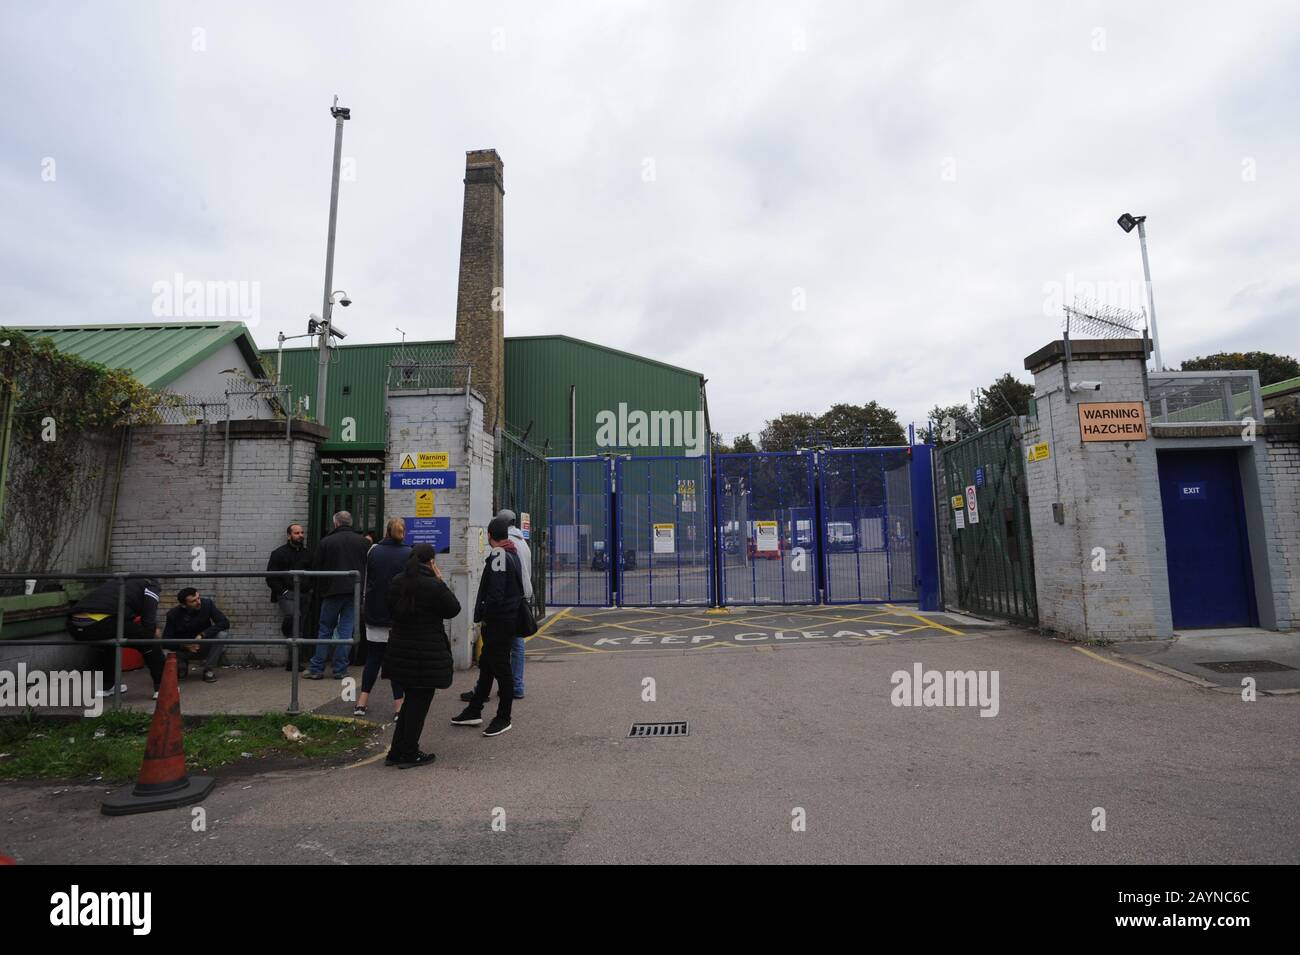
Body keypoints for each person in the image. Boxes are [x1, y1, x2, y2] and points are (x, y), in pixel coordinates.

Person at [383, 543, 461, 768]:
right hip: (425, 653)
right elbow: (453, 609)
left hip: (400, 651)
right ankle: (409, 752)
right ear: (432, 562)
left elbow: (390, 608)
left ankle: (396, 751)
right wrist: (440, 581)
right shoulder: (433, 586)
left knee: (410, 701)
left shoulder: (398, 581)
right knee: (419, 704)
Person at [451, 516, 522, 737]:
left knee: (501, 668)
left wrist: (486, 616)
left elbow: (496, 594)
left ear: (489, 535)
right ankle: (474, 709)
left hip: (499, 621)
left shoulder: (499, 554)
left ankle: (503, 718)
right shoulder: (512, 552)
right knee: (488, 665)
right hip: (505, 619)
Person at [460, 508, 533, 703]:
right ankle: (498, 690)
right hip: (519, 598)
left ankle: (499, 696)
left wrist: (486, 616)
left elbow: (497, 590)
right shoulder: (521, 543)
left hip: (505, 610)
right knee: (505, 651)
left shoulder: (502, 551)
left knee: (497, 657)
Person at [66, 575, 165, 699]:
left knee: (108, 645)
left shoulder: (116, 583)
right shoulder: (151, 587)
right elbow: (148, 618)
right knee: (150, 643)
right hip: (102, 622)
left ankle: (107, 686)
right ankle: (163, 688)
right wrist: (151, 633)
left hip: (74, 625)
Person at [356, 518, 411, 717]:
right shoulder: (409, 553)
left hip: (375, 611)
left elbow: (367, 581)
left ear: (386, 531)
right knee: (395, 661)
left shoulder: (373, 551)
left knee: (373, 658)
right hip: (398, 616)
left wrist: (365, 607)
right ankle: (399, 706)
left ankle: (361, 702)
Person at [306, 510, 370, 680]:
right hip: (354, 592)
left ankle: (317, 668)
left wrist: (318, 590)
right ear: (350, 522)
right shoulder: (363, 543)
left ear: (336, 523)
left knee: (325, 629)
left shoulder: (326, 542)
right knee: (346, 631)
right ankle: (340, 669)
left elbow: (316, 567)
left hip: (332, 591)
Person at [266, 522, 315, 670]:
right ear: (289, 535)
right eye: (297, 533)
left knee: (299, 628)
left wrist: (311, 589)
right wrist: (283, 592)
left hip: (305, 594)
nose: (300, 535)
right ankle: (292, 656)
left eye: (301, 533)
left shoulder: (308, 553)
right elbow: (270, 577)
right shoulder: (278, 553)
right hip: (287, 594)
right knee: (294, 618)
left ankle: (293, 662)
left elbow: (313, 573)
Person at [163, 588, 230, 683]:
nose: (198, 602)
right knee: (164, 652)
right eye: (193, 601)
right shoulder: (173, 614)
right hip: (183, 650)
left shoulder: (207, 604)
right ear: (183, 605)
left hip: (202, 646)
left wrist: (202, 635)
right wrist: (185, 645)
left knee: (222, 635)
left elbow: (225, 623)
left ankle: (208, 670)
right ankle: (182, 666)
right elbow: (165, 640)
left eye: (198, 598)